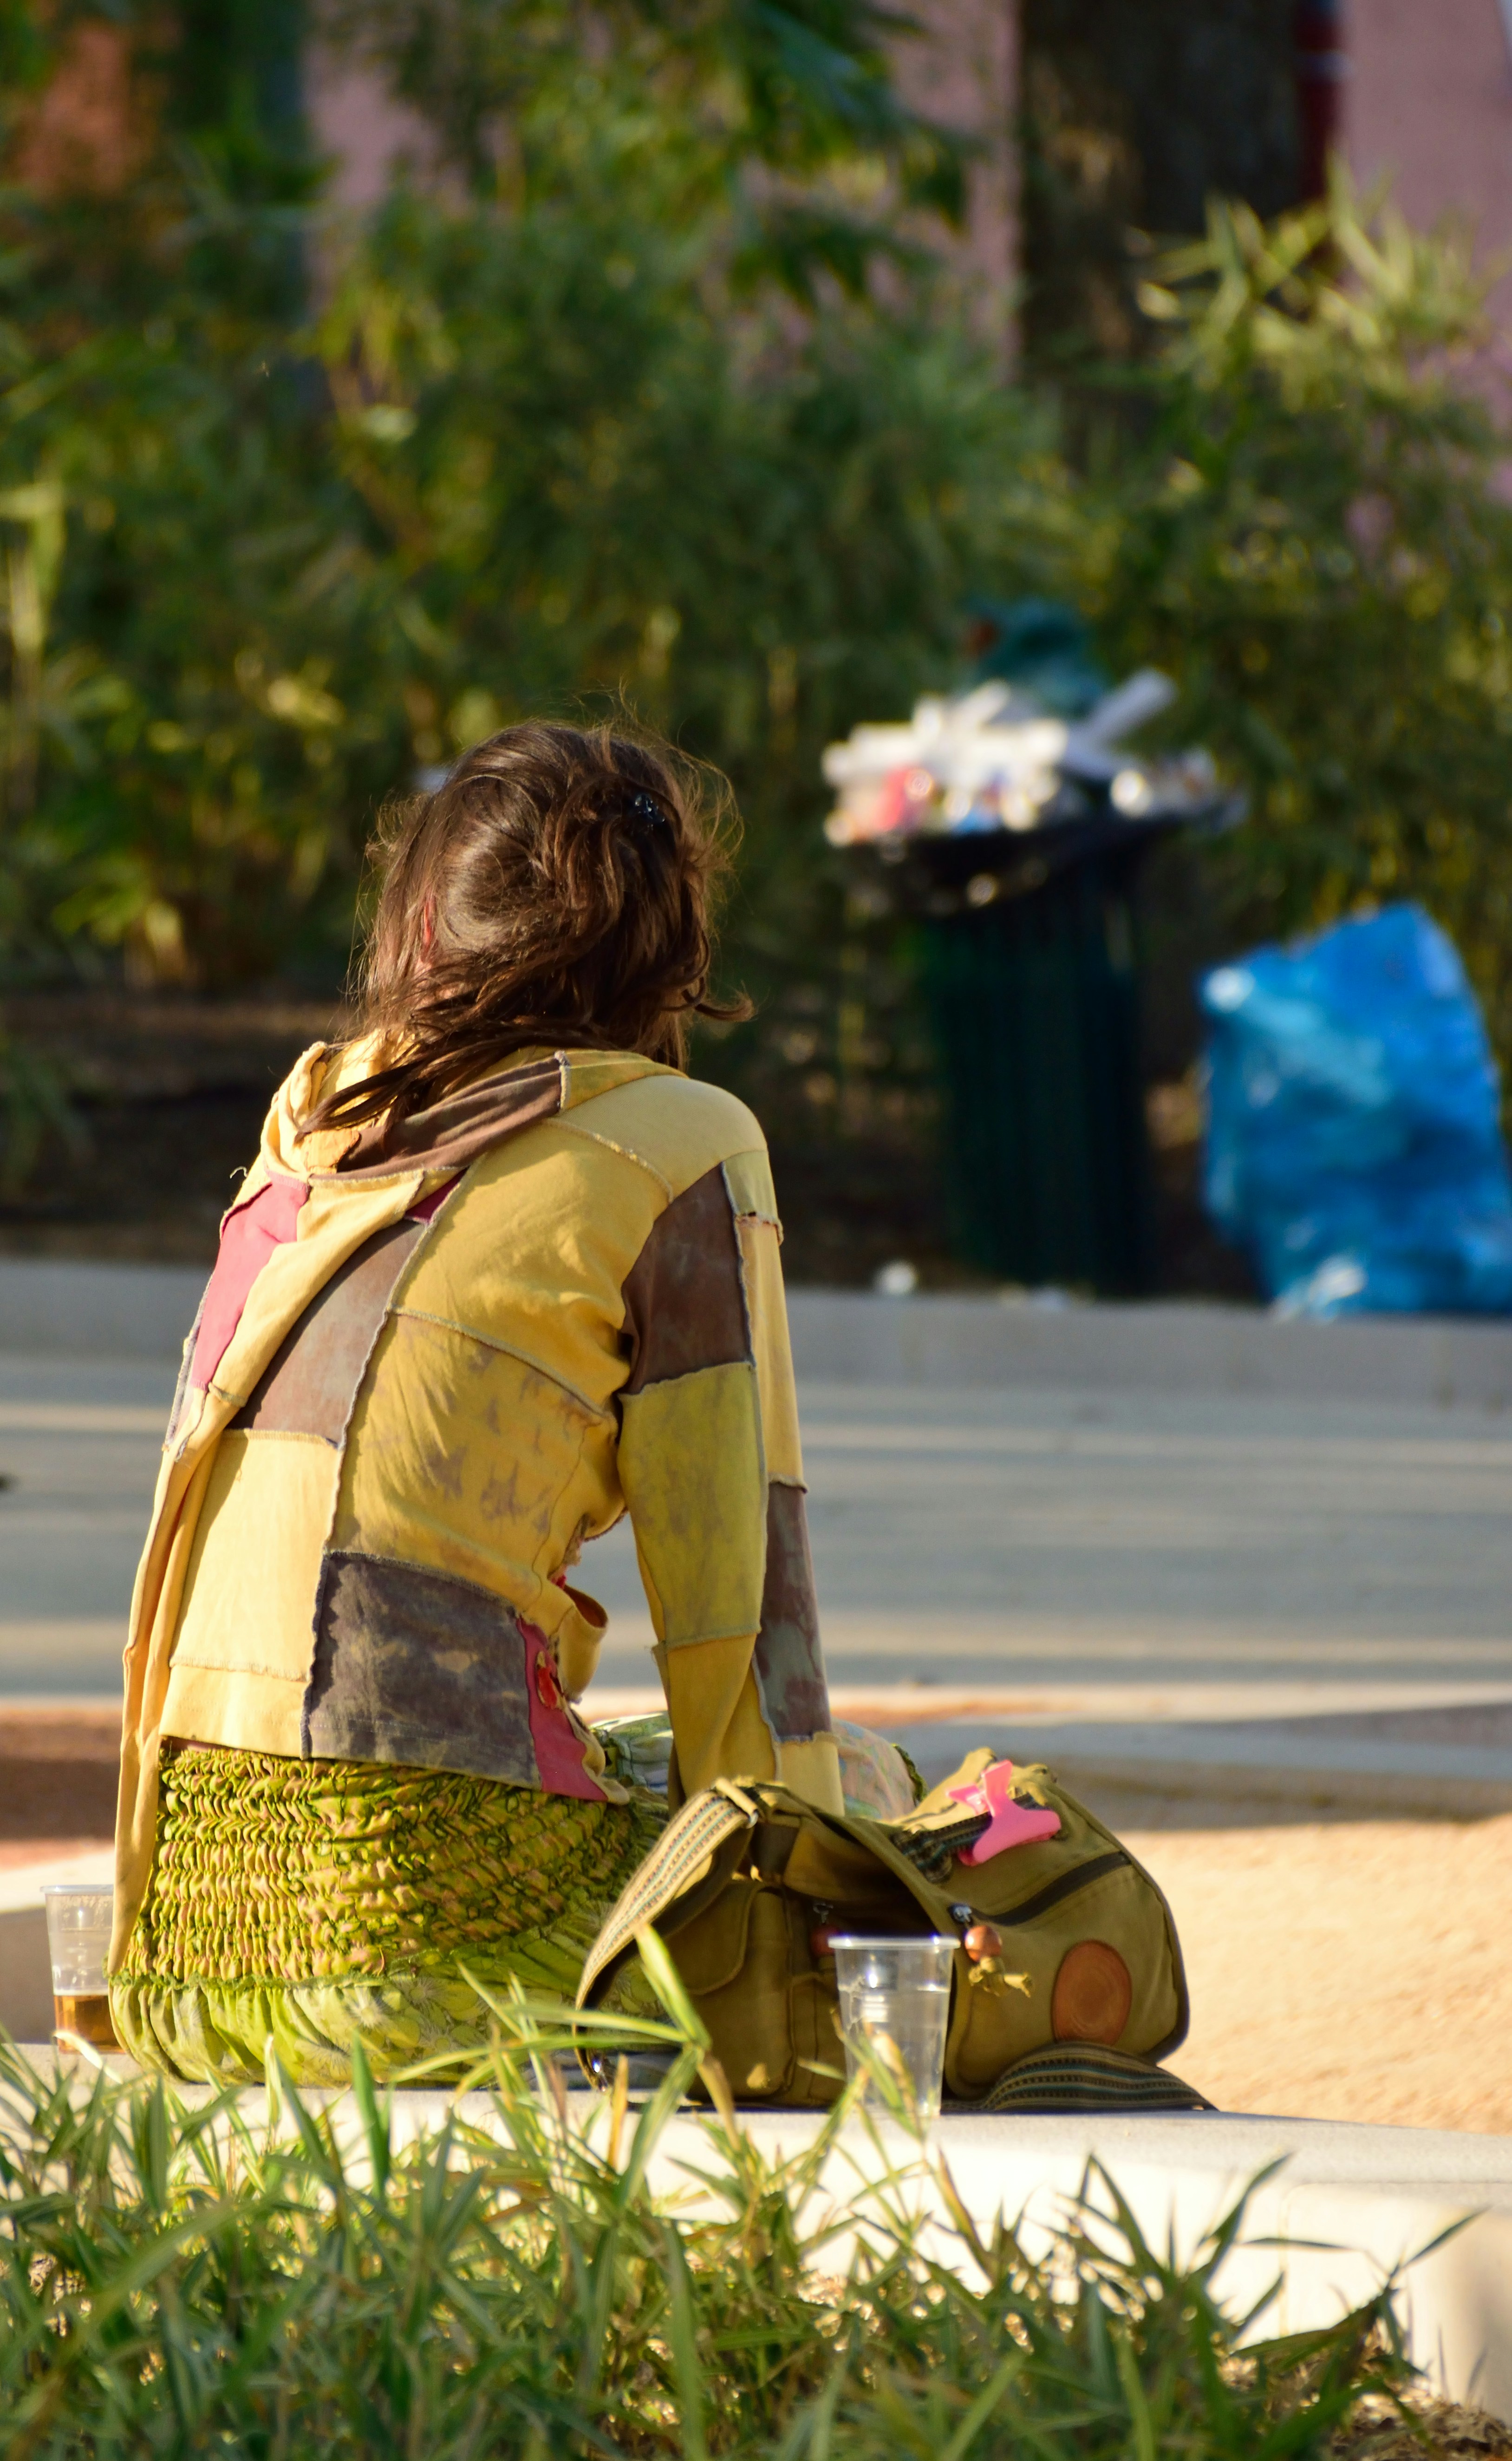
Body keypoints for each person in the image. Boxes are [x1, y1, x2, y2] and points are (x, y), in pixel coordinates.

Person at [108, 721, 853, 2085]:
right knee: (891, 1799)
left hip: (192, 1954)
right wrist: (812, 1938)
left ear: (421, 924)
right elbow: (743, 1629)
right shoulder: (685, 1148)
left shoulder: (309, 1126)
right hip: (441, 1947)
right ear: (666, 942)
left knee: (634, 1760)